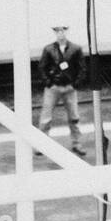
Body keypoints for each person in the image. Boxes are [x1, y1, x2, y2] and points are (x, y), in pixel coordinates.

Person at [38, 21, 85, 156]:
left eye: (62, 30)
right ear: (55, 33)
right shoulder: (48, 49)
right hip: (53, 88)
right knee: (45, 118)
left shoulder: (75, 49)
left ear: (66, 31)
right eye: (57, 31)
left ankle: (77, 144)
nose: (60, 33)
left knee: (74, 117)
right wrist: (49, 83)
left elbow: (82, 68)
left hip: (69, 88)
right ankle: (41, 145)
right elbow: (42, 68)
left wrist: (75, 84)